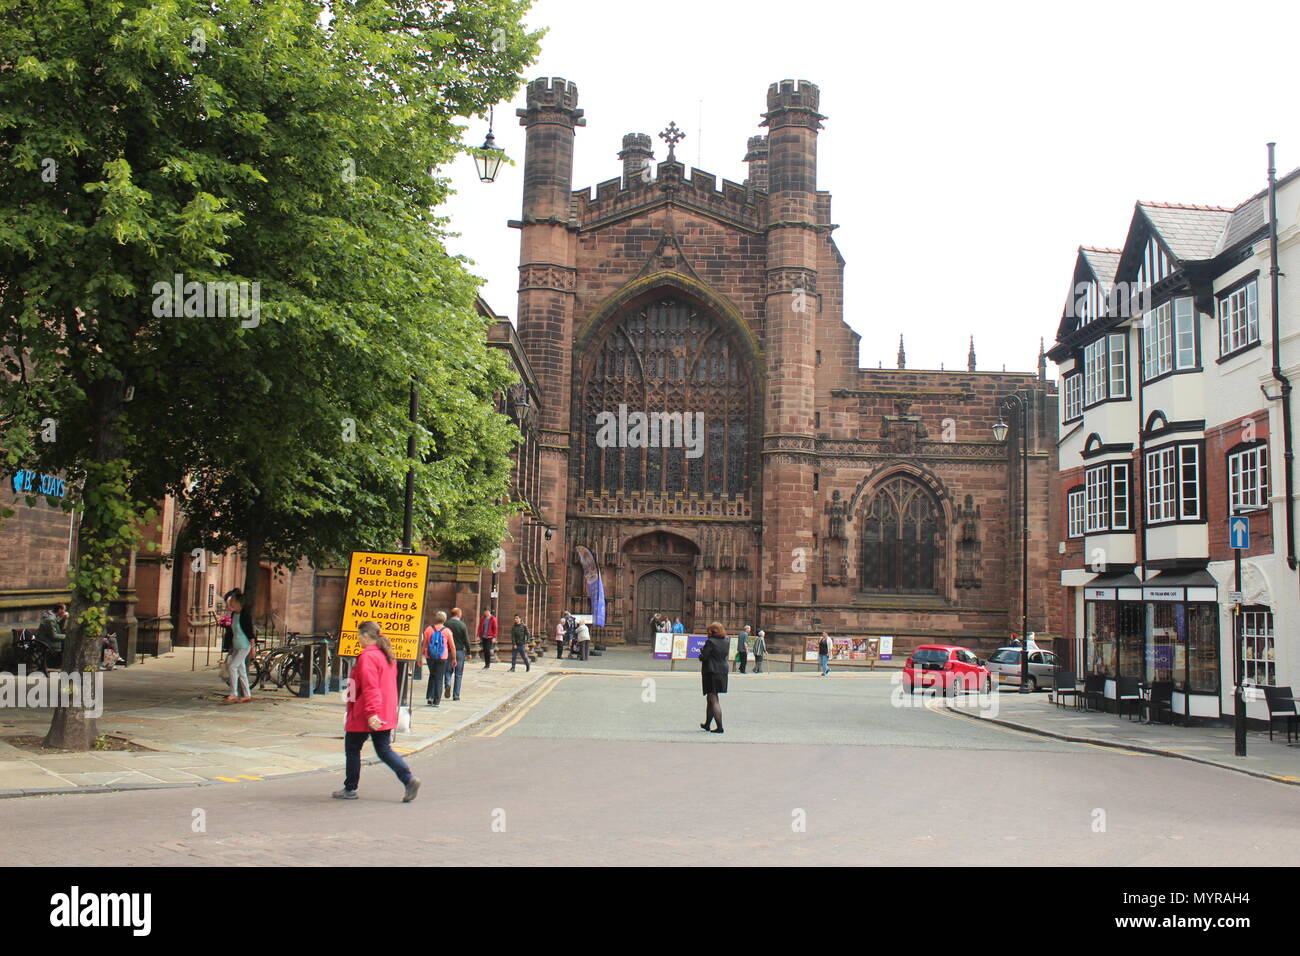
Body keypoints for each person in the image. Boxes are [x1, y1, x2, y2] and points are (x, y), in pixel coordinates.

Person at [334, 621, 420, 802]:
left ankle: (350, 789)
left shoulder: (367, 656)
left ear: (366, 636)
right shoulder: (386, 655)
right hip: (383, 711)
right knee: (383, 749)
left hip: (366, 712)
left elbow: (370, 686)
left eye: (359, 635)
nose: (358, 639)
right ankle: (408, 779)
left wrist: (371, 713)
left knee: (352, 749)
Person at [222, 590, 255, 703]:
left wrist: (252, 649)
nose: (230, 604)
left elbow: (250, 632)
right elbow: (227, 628)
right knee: (241, 671)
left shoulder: (245, 614)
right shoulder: (233, 614)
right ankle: (247, 695)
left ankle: (233, 694)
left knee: (232, 667)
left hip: (244, 646)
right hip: (236, 646)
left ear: (238, 602)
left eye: (232, 602)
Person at [699, 621, 729, 733]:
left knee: (713, 698)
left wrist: (702, 653)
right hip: (722, 671)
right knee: (711, 698)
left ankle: (720, 726)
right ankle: (707, 724)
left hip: (712, 671)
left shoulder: (710, 642)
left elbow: (704, 657)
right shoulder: (726, 642)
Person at [422, 611, 455, 707]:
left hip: (430, 656)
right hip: (442, 657)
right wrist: (454, 658)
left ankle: (429, 697)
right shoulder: (447, 631)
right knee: (439, 678)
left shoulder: (428, 629)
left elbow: (424, 644)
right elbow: (452, 647)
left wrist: (420, 656)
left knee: (432, 675)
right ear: (444, 620)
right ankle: (436, 701)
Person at [446, 607, 470, 700]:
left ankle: (447, 683)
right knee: (458, 674)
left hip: (448, 651)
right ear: (458, 614)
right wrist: (469, 652)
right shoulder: (462, 625)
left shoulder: (446, 624)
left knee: (448, 671)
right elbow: (466, 640)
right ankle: (456, 695)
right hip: (459, 651)